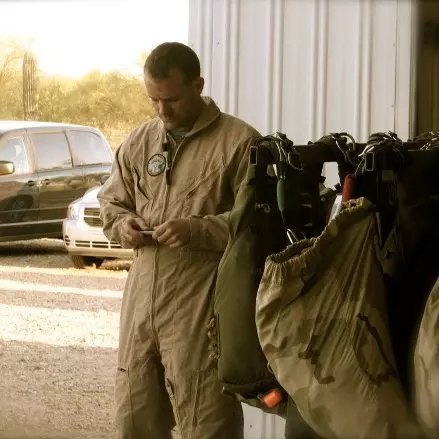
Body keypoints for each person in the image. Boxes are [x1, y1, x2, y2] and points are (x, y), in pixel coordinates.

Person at [97, 42, 260, 439]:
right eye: (153, 99)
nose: (161, 111)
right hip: (141, 300)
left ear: (198, 85)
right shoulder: (140, 141)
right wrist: (123, 225)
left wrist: (196, 229)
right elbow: (111, 201)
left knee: (207, 419)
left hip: (200, 303)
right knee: (134, 416)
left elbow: (255, 226)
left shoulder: (240, 143)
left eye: (170, 99)